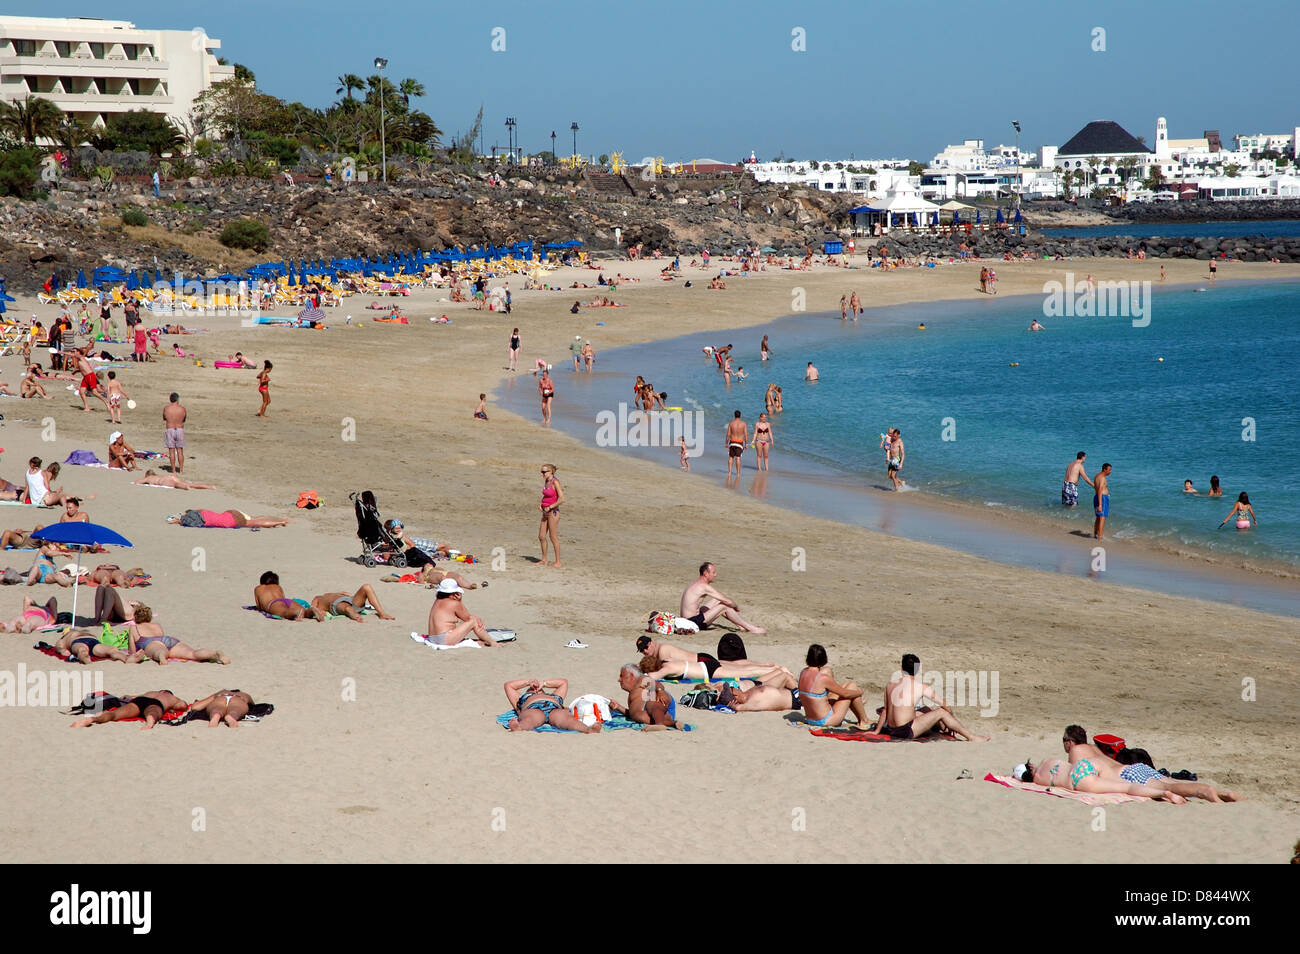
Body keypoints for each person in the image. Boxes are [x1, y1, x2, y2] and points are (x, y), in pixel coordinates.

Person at [878, 653, 990, 741]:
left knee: (925, 710)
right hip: (905, 732)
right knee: (941, 712)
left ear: (901, 669)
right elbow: (945, 705)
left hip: (891, 729)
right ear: (917, 671)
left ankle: (943, 725)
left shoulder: (890, 685)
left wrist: (876, 731)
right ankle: (971, 737)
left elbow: (886, 711)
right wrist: (951, 719)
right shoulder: (920, 686)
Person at [635, 635, 791, 683]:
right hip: (703, 663)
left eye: (646, 648)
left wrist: (640, 671)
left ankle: (775, 669)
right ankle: (769, 666)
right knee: (738, 667)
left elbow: (652, 677)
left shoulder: (663, 653)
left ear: (652, 643)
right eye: (642, 651)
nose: (645, 652)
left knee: (742, 672)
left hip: (703, 663)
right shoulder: (662, 660)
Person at [126, 604, 230, 665]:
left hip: (150, 642)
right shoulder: (156, 625)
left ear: (135, 617)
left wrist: (133, 654)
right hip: (168, 640)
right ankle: (214, 654)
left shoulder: (134, 628)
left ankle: (162, 656)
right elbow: (162, 638)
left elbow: (132, 650)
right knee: (192, 653)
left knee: (159, 650)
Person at [680, 561, 766, 633]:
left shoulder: (695, 583)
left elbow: (721, 599)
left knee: (716, 600)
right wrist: (736, 606)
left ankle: (740, 626)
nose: (715, 575)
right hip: (691, 624)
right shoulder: (703, 586)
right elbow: (728, 601)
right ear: (706, 573)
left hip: (687, 620)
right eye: (713, 572)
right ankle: (751, 628)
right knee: (724, 606)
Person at [798, 644, 869, 728]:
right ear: (824, 659)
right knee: (852, 686)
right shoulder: (822, 678)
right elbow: (846, 694)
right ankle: (864, 720)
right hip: (826, 720)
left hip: (809, 719)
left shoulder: (803, 672)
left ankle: (862, 718)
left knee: (846, 685)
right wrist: (860, 692)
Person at [504, 678, 598, 732]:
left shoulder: (554, 696)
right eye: (530, 689)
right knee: (530, 719)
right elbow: (508, 685)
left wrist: (544, 683)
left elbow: (563, 682)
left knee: (568, 719)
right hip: (533, 708)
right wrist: (529, 682)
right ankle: (519, 727)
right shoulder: (521, 699)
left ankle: (588, 730)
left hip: (554, 708)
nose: (535, 689)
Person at [426, 578, 498, 646]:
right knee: (474, 621)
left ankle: (486, 640)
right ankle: (493, 643)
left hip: (432, 638)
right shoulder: (454, 603)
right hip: (443, 639)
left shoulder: (437, 601)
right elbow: (467, 618)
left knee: (474, 620)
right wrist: (459, 601)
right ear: (453, 593)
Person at [70, 689, 187, 729]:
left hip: (138, 701)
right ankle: (149, 724)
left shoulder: (150, 692)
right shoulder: (171, 697)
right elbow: (183, 706)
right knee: (153, 713)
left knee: (114, 715)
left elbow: (128, 697)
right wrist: (173, 708)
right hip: (155, 704)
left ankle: (92, 719)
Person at [611, 664, 679, 727]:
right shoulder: (632, 695)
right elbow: (632, 714)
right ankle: (670, 723)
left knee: (652, 702)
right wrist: (618, 707)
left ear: (631, 676)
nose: (619, 680)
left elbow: (655, 683)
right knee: (639, 716)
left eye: (621, 676)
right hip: (656, 714)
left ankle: (659, 723)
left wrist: (660, 691)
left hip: (660, 701)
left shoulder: (641, 680)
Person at [254, 570, 324, 621]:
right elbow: (283, 598)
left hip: (272, 603)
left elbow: (259, 607)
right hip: (287, 601)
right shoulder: (278, 587)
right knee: (304, 612)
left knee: (284, 612)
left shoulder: (258, 588)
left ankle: (296, 612)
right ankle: (311, 610)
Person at [309, 584, 395, 622]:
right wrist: (319, 613)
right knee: (347, 608)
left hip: (349, 599)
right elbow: (314, 609)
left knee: (366, 587)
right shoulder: (317, 598)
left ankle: (382, 613)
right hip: (334, 605)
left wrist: (346, 595)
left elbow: (348, 594)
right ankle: (357, 617)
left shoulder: (330, 594)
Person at [52, 627, 131, 664]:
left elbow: (59, 647)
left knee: (111, 649)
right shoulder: (65, 637)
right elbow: (59, 647)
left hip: (89, 641)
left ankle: (126, 658)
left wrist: (63, 650)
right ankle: (86, 659)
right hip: (83, 641)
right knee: (82, 650)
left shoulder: (79, 632)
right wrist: (62, 650)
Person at [186, 690, 259, 728]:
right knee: (237, 710)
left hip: (221, 697)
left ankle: (216, 714)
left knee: (216, 708)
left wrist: (196, 703)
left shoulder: (221, 692)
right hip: (238, 699)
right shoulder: (245, 695)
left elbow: (196, 707)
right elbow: (253, 705)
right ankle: (232, 716)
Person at [538, 463, 564, 568]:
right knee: (541, 536)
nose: (542, 474)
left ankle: (558, 562)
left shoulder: (555, 482)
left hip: (553, 513)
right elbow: (546, 496)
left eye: (544, 472)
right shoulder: (546, 481)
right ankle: (544, 560)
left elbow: (562, 499)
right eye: (541, 472)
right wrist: (541, 504)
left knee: (553, 537)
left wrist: (551, 506)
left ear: (551, 472)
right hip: (545, 512)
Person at [168, 510, 288, 529]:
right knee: (254, 518)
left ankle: (280, 522)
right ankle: (279, 518)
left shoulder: (193, 520)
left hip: (230, 521)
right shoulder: (201, 511)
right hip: (230, 512)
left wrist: (177, 521)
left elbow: (184, 522)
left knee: (254, 523)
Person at [163, 392, 186, 474]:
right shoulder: (182, 409)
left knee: (171, 451)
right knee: (180, 451)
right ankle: (181, 470)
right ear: (178, 399)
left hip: (170, 429)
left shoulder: (166, 408)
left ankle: (173, 470)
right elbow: (184, 419)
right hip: (179, 429)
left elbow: (164, 417)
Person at [133, 470, 215, 490]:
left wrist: (145, 481)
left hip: (164, 481)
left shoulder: (149, 478)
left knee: (177, 485)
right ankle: (210, 487)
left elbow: (137, 482)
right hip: (169, 477)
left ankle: (185, 487)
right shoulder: (158, 476)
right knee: (191, 484)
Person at [725, 410, 748, 477]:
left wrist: (726, 443)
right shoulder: (743, 424)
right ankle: (738, 473)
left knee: (731, 457)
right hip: (739, 442)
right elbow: (746, 435)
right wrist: (746, 444)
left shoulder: (731, 423)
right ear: (740, 415)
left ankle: (729, 472)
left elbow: (728, 434)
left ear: (734, 415)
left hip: (732, 442)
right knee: (738, 458)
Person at [1093, 462, 1113, 539]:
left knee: (1098, 517)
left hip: (1096, 497)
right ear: (1104, 470)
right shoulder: (1102, 478)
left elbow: (1096, 487)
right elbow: (1100, 489)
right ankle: (1100, 537)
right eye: (1109, 470)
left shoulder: (1097, 476)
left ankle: (1095, 534)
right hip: (1102, 498)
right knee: (1102, 518)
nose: (1110, 471)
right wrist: (1100, 504)